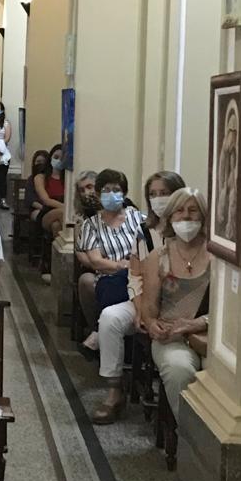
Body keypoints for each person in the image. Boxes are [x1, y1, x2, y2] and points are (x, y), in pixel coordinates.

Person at [90, 170, 186, 423]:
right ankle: (113, 390)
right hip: (146, 301)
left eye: (164, 193)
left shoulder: (189, 232)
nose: (158, 199)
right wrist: (140, 308)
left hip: (180, 306)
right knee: (110, 317)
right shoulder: (146, 231)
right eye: (153, 194)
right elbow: (135, 275)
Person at [141, 188, 211, 418]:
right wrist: (151, 325)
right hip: (172, 338)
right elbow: (149, 309)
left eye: (193, 210)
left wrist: (196, 324)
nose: (187, 217)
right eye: (179, 211)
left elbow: (230, 312)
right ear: (170, 217)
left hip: (209, 336)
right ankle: (189, 438)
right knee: (179, 369)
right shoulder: (158, 257)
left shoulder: (218, 257)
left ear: (203, 215)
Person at [76, 169, 145, 352]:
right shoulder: (91, 225)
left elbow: (149, 248)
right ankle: (106, 335)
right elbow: (97, 261)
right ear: (98, 194)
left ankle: (100, 333)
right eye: (106, 190)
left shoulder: (137, 218)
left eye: (116, 190)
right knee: (113, 281)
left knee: (127, 281)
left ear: (124, 193)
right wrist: (122, 265)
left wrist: (133, 266)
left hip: (139, 276)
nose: (111, 194)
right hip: (108, 276)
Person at [30, 145, 66, 234]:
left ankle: (61, 247)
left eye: (62, 158)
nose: (58, 161)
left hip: (64, 213)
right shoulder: (40, 177)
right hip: (47, 211)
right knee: (62, 213)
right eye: (56, 157)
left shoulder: (68, 179)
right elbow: (46, 200)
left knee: (56, 226)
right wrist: (65, 208)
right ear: (50, 158)